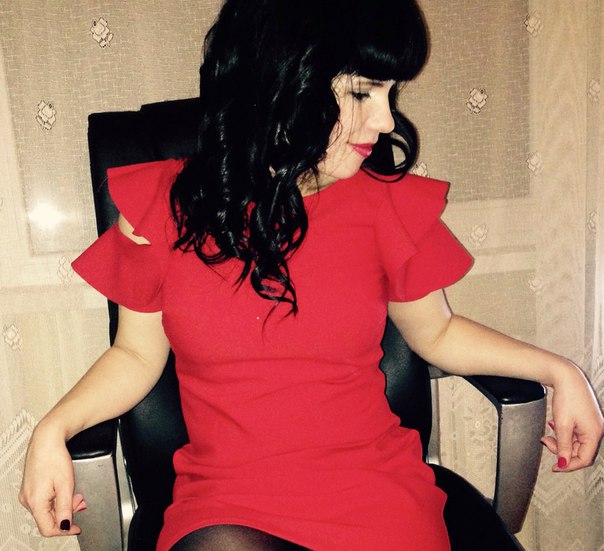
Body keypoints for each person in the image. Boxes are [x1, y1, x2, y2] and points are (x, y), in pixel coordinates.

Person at [19, 0, 604, 549]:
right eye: (363, 92)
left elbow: (439, 333)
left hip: (374, 492)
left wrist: (559, 370)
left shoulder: (386, 205)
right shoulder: (164, 207)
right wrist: (53, 428)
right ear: (283, 77)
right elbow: (134, 356)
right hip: (227, 500)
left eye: (390, 93)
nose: (385, 120)